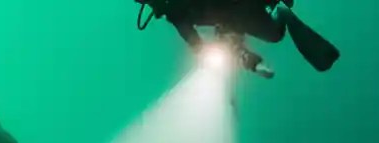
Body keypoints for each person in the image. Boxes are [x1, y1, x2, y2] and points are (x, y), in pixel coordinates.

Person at [137, 0, 340, 75]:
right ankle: (280, 13)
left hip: (238, 11)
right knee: (274, 34)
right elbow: (198, 45)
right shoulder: (176, 16)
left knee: (271, 33)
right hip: (237, 18)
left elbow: (200, 44)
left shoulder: (177, 14)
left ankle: (279, 11)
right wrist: (242, 55)